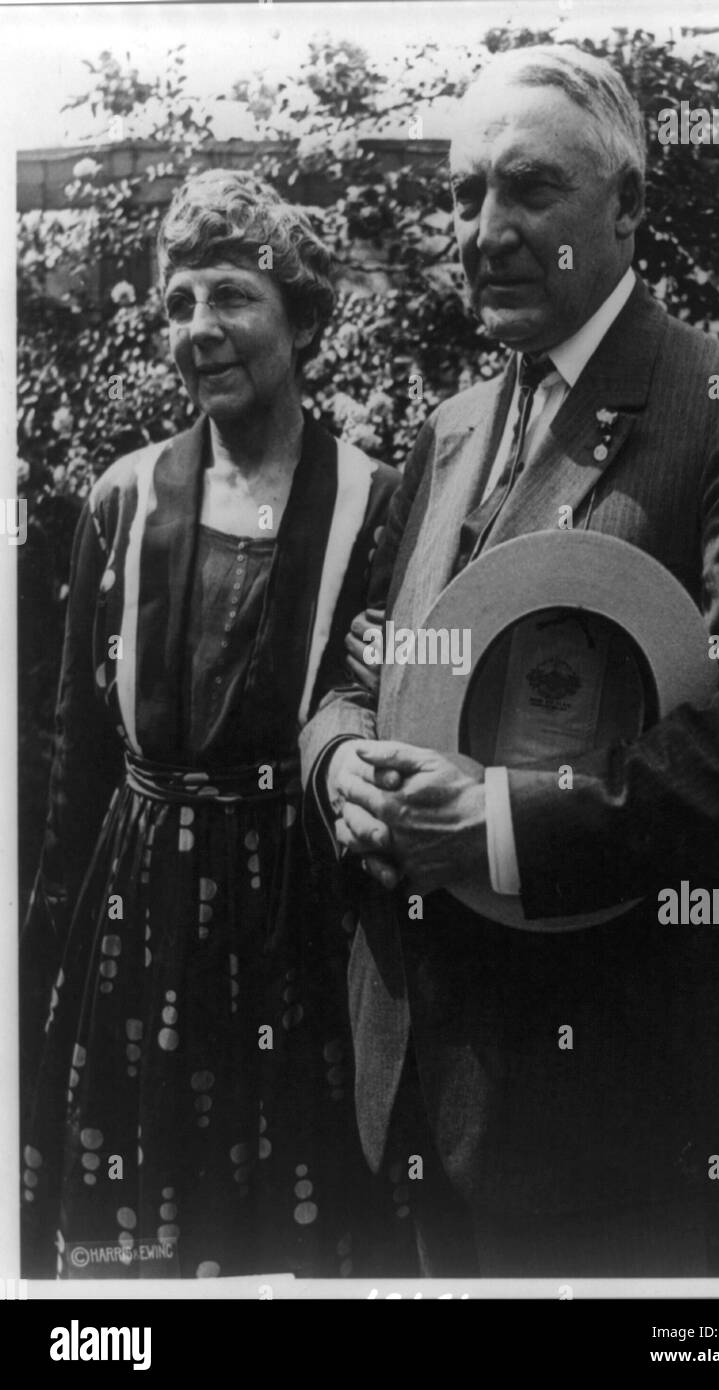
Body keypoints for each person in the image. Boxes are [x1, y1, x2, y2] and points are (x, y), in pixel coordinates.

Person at [300, 46, 719, 1277]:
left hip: (595, 1114)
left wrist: (498, 823)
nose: (485, 232)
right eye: (463, 193)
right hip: (411, 1073)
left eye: (529, 189)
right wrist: (337, 764)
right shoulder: (449, 428)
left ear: (626, 205)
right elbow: (355, 667)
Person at [20, 168, 405, 1280]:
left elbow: (394, 706)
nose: (200, 328)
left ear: (303, 318)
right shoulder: (125, 498)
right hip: (145, 906)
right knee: (144, 1201)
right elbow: (78, 755)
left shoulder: (376, 502)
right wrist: (47, 942)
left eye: (232, 295)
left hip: (300, 903)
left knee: (295, 1204)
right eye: (179, 303)